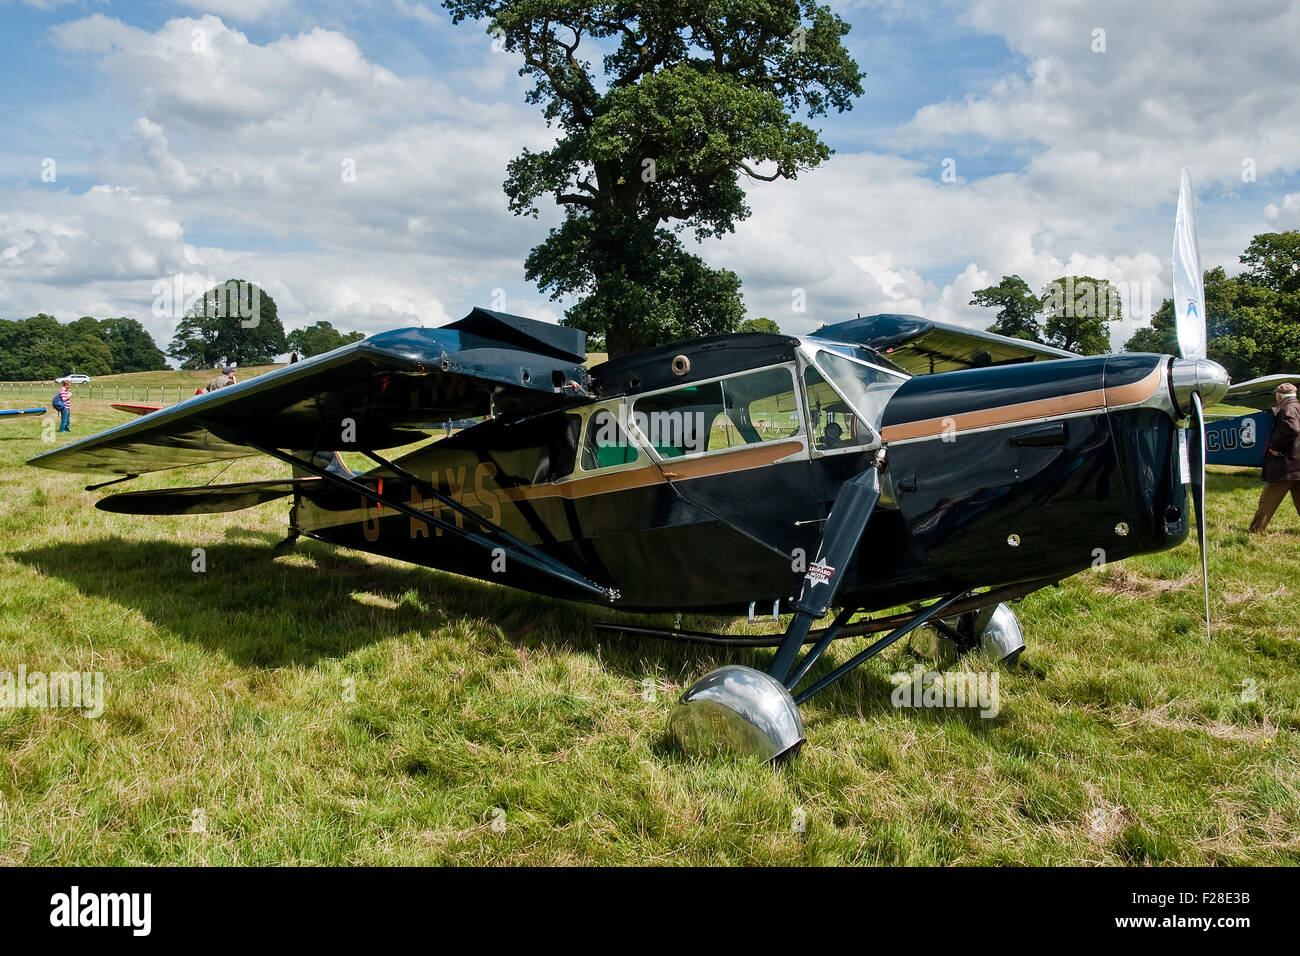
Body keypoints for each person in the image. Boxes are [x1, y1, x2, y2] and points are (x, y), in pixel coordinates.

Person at [1248, 382, 1300, 533]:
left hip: (1286, 465)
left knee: (1268, 499)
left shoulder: (1287, 408)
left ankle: (1256, 530)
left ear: (1279, 396)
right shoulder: (1297, 407)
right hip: (1297, 463)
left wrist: (1275, 447)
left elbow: (1293, 428)